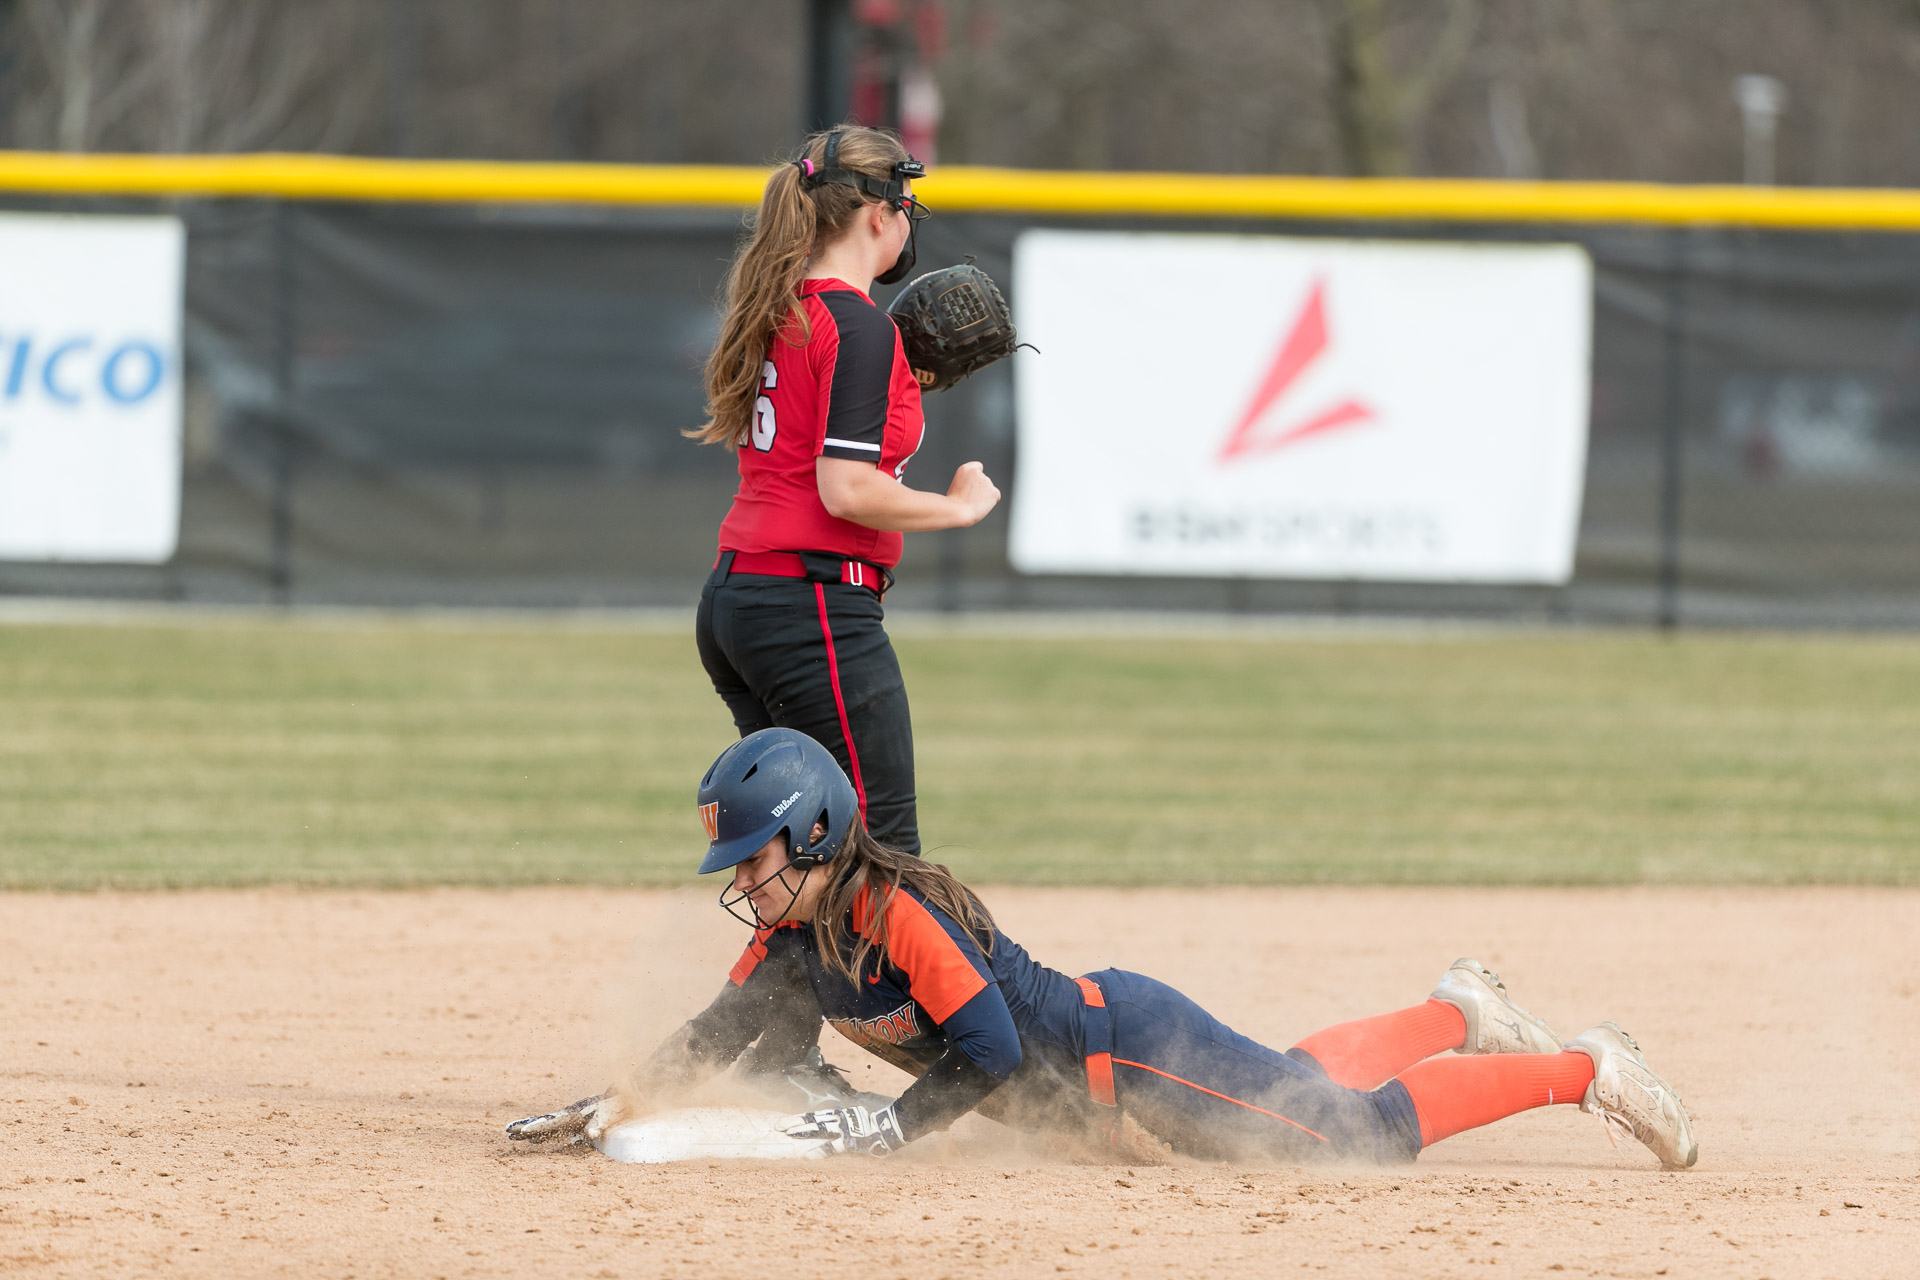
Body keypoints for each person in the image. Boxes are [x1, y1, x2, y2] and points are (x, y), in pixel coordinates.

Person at [507, 729, 1699, 1170]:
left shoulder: (892, 916)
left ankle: (1586, 1066)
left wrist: (891, 1125)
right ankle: (1457, 1008)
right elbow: (729, 1034)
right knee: (1297, 1076)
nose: (746, 883)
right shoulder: (796, 938)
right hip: (1117, 1058)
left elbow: (982, 1046)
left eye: (757, 857)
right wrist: (619, 1098)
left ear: (816, 836)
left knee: (1361, 1135)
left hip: (1124, 1051)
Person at [687, 124, 1001, 862]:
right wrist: (957, 508)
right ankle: (925, 982)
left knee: (811, 846)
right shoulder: (857, 327)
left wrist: (897, 383)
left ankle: (781, 983)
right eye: (907, 211)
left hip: (740, 602)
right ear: (876, 215)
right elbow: (847, 489)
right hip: (811, 609)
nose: (908, 226)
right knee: (882, 847)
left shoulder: (779, 308)